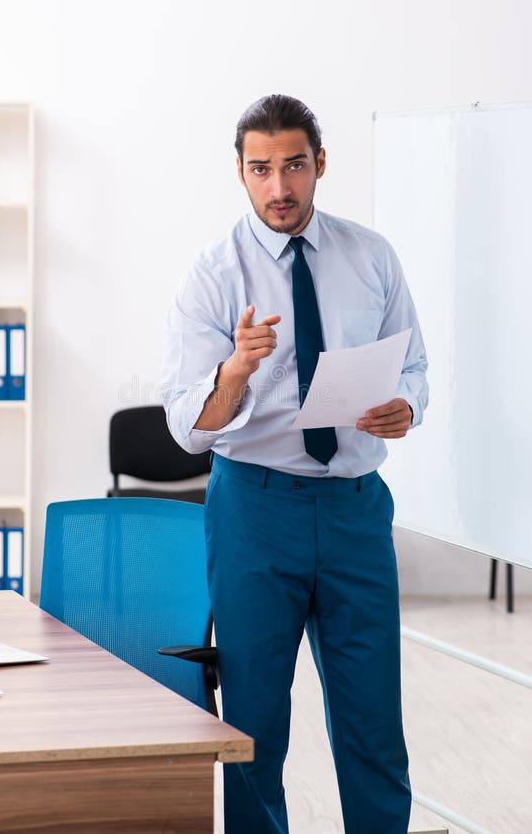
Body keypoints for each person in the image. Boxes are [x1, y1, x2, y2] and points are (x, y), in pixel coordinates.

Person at [162, 94, 428, 834]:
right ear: (240, 173)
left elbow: (413, 367)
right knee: (254, 726)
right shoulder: (213, 275)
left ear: (319, 165)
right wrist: (235, 371)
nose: (279, 188)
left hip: (354, 510)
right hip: (254, 510)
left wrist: (404, 406)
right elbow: (187, 427)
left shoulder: (370, 256)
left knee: (373, 720)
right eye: (261, 170)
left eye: (293, 167)